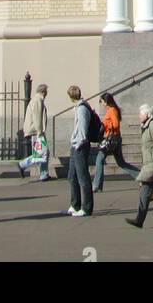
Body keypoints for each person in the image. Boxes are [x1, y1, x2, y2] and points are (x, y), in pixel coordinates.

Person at [64, 85, 102, 217]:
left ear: (70, 96)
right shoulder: (80, 107)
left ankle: (86, 207)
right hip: (76, 145)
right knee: (72, 175)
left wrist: (78, 142)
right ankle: (75, 204)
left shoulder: (81, 109)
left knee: (82, 177)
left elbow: (82, 128)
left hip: (80, 145)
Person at [92, 93, 138, 192]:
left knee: (99, 160)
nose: (102, 104)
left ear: (106, 101)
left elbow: (116, 124)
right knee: (121, 163)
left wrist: (106, 126)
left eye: (102, 101)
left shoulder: (112, 110)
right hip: (115, 139)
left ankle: (96, 185)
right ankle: (141, 176)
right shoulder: (111, 110)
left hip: (111, 140)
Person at [19, 83, 51, 181]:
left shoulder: (37, 100)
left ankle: (43, 173)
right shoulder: (38, 100)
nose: (47, 94)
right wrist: (39, 131)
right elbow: (37, 118)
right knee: (43, 152)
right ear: (43, 91)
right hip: (36, 131)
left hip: (36, 131)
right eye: (46, 91)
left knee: (43, 152)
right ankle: (23, 164)